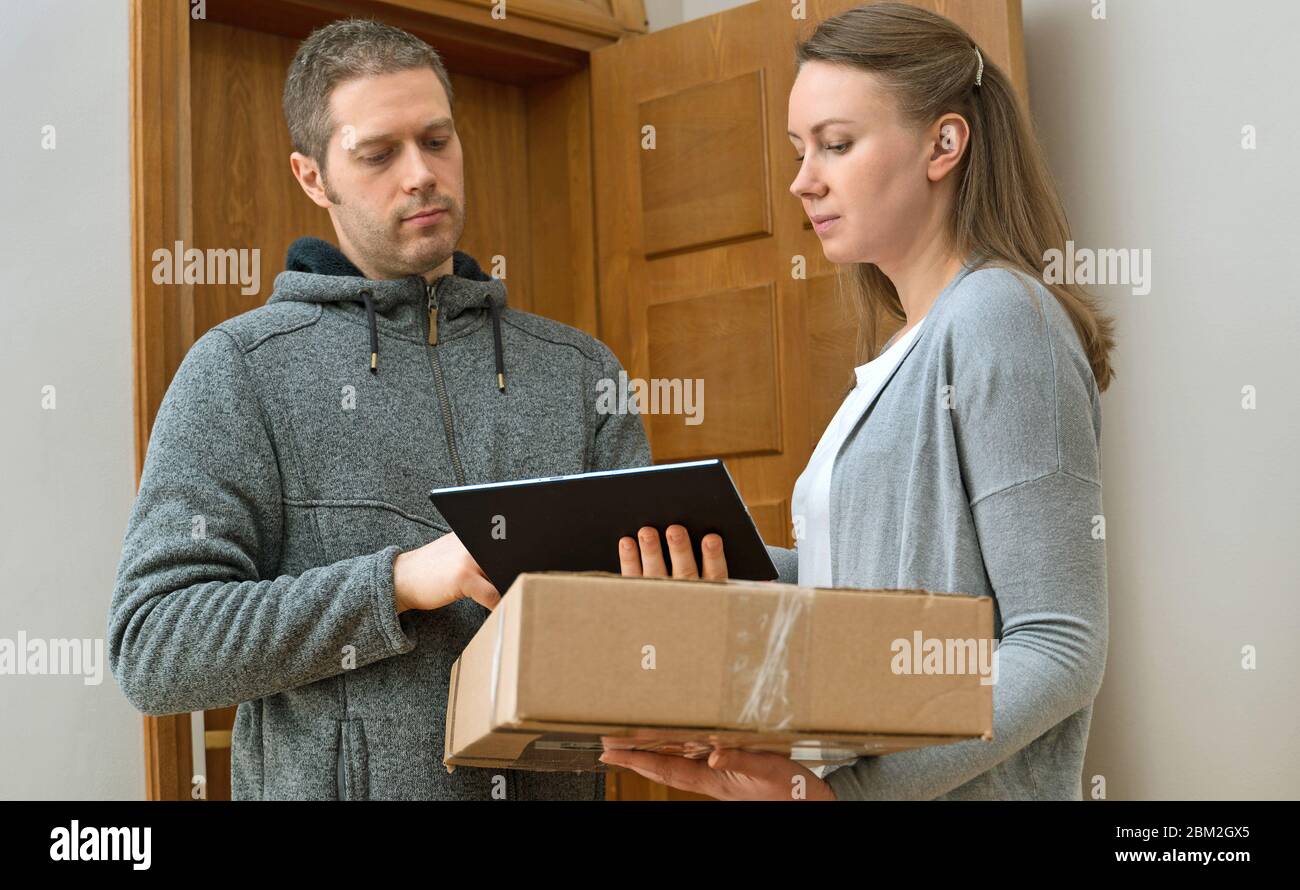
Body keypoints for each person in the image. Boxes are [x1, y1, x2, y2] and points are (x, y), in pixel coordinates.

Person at [108, 18, 650, 800]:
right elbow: (154, 649)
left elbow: (644, 637)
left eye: (437, 140)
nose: (422, 173)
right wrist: (397, 583)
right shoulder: (240, 371)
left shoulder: (577, 371)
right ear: (312, 176)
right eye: (379, 154)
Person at [602, 2, 1115, 801]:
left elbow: (1058, 647)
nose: (803, 180)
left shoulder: (999, 318)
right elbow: (871, 598)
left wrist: (849, 795)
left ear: (944, 144)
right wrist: (708, 564)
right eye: (800, 150)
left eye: (837, 144)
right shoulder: (901, 355)